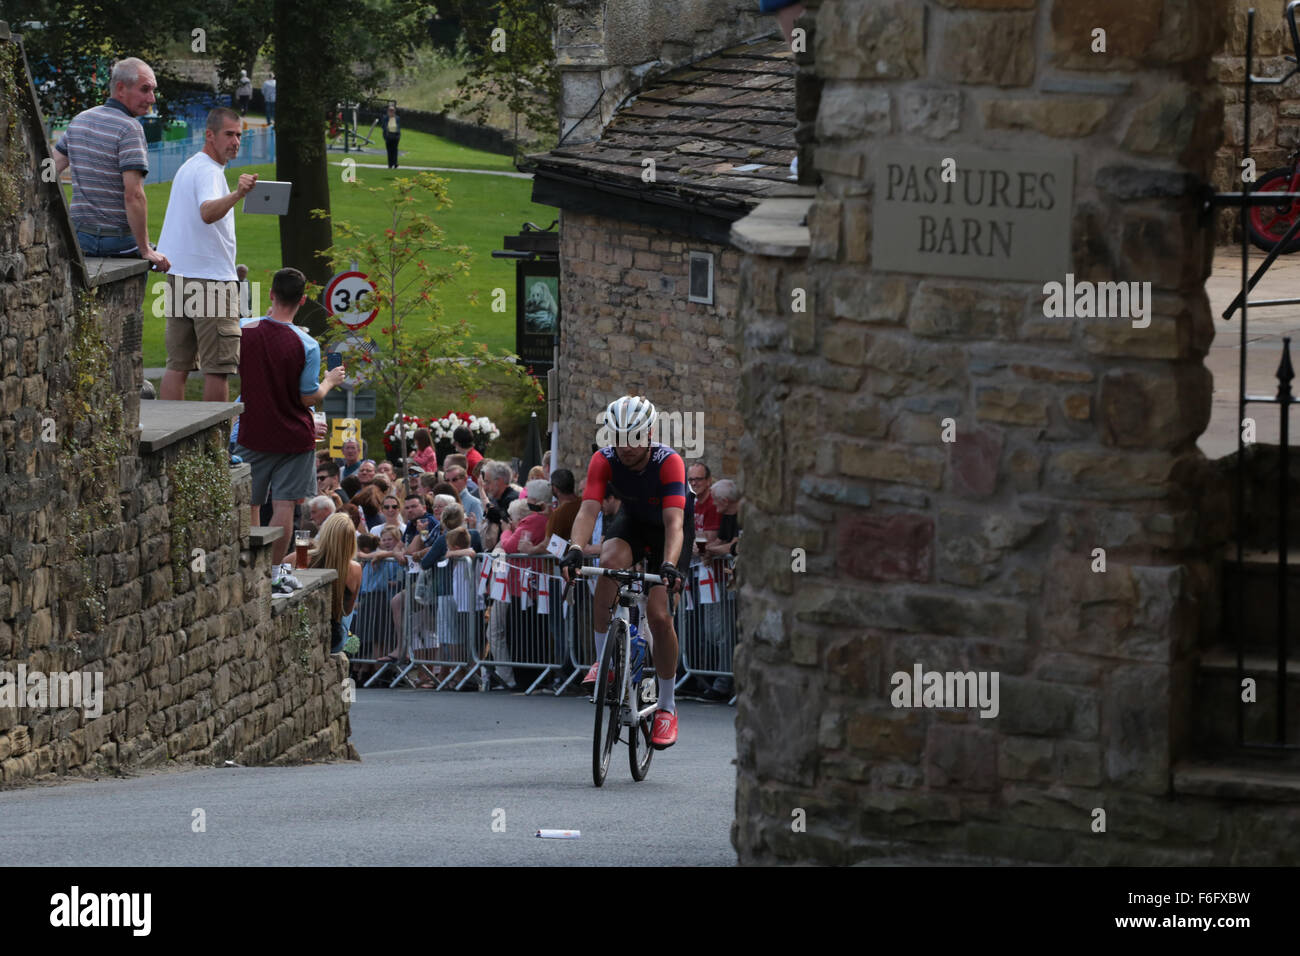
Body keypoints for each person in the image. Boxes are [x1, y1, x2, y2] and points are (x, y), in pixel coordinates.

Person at [559, 395, 694, 749]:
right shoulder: (603, 459)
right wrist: (574, 548)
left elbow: (674, 522)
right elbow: (588, 509)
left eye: (633, 438)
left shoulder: (669, 462)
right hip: (634, 523)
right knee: (607, 563)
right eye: (617, 437)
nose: (625, 447)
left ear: (649, 433)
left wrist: (668, 565)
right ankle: (606, 659)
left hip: (670, 531)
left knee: (659, 615)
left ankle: (666, 706)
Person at [233, 267, 347, 566]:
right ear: (303, 300)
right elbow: (308, 397)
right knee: (284, 504)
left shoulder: (245, 329)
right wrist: (330, 381)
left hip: (253, 430)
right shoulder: (307, 344)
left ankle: (250, 564)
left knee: (252, 501)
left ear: (271, 294)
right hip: (294, 437)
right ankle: (270, 570)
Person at [157, 107, 258, 402]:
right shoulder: (209, 171)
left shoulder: (190, 166)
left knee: (177, 366)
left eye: (239, 135)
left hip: (179, 277)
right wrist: (237, 195)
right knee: (218, 368)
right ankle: (213, 447)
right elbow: (207, 213)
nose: (236, 141)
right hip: (211, 282)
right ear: (210, 135)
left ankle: (169, 438)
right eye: (229, 134)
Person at [53, 57, 169, 271]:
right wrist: (145, 249)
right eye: (145, 90)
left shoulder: (80, 119)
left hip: (79, 238)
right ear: (121, 88)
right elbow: (133, 195)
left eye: (153, 91)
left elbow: (48, 171)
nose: (151, 98)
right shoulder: (129, 129)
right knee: (162, 259)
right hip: (118, 242)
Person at [307, 513, 363, 654]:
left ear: (325, 533)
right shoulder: (355, 569)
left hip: (307, 630)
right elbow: (348, 610)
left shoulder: (302, 557)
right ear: (351, 541)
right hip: (334, 638)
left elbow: (279, 575)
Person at [544, 468, 580, 542]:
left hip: (571, 553)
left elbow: (549, 545)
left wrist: (531, 548)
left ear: (555, 488)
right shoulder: (584, 502)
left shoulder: (558, 515)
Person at [382, 104, 401, 168]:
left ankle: (395, 163)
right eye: (390, 110)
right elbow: (383, 127)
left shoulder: (397, 118)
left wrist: (398, 135)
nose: (391, 111)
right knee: (389, 150)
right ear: (388, 111)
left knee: (395, 150)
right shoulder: (385, 118)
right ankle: (390, 164)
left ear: (394, 111)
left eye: (392, 110)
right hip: (388, 135)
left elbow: (398, 126)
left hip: (395, 135)